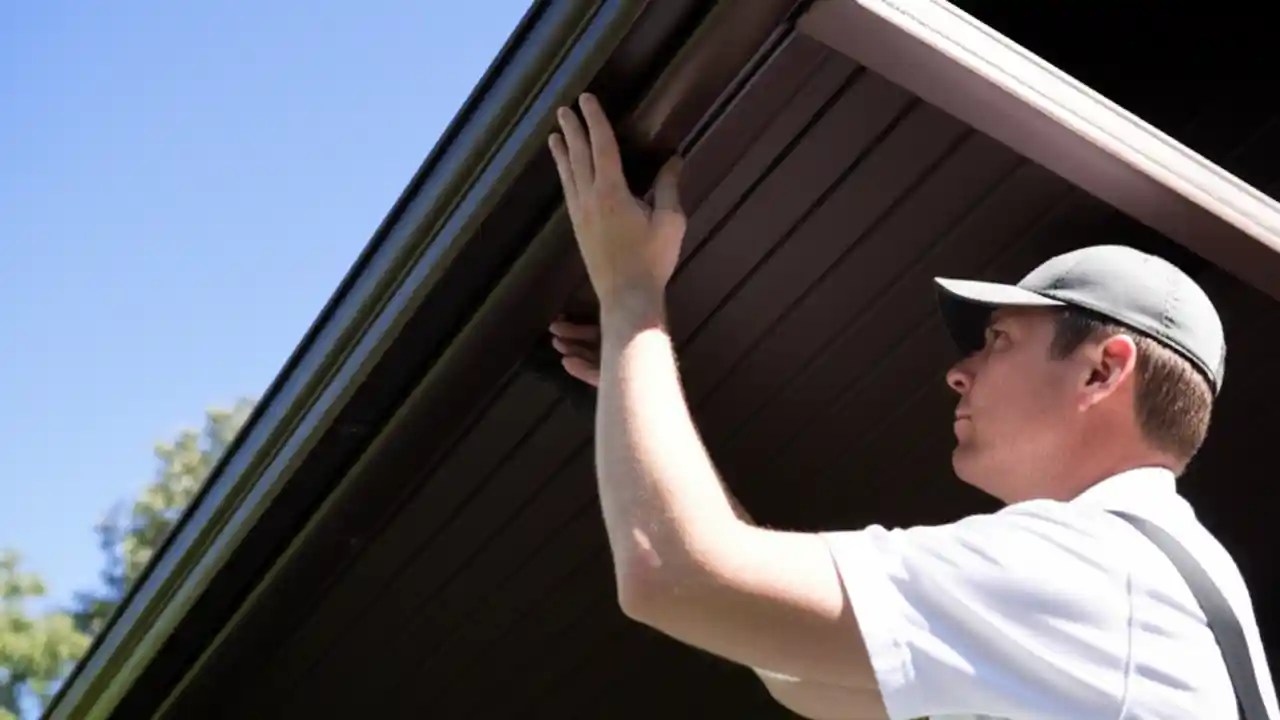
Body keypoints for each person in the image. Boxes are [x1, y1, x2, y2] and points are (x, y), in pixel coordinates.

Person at [545, 93, 1279, 719]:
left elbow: (676, 576)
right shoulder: (1142, 582)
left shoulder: (1095, 569)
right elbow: (794, 666)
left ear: (1101, 371)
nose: (958, 373)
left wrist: (630, 290)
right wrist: (636, 384)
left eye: (998, 340)